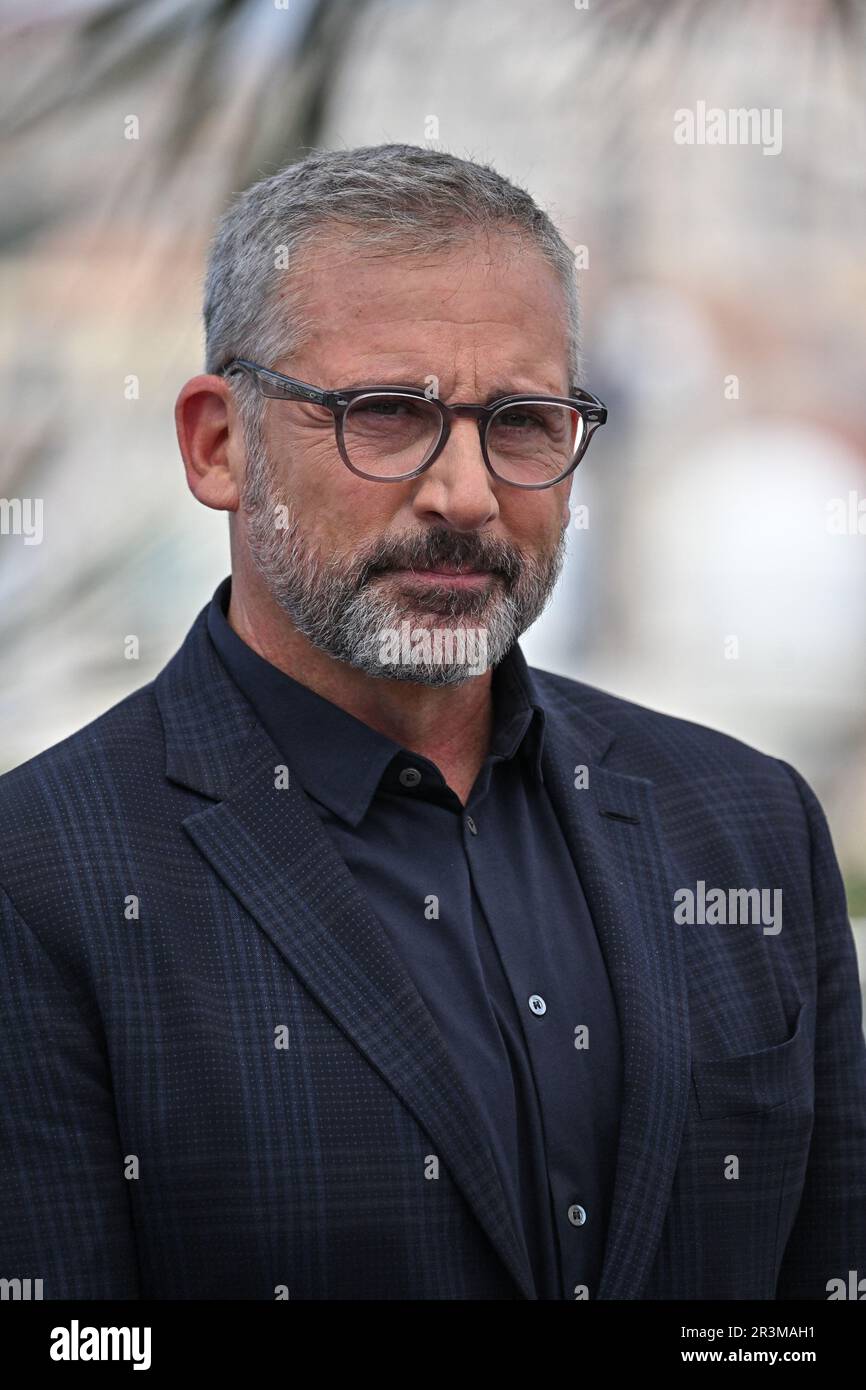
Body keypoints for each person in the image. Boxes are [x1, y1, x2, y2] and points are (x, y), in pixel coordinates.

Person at [1, 144, 863, 1301]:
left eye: (521, 421)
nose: (464, 493)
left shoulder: (747, 825)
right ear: (218, 444)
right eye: (388, 414)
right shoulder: (43, 878)